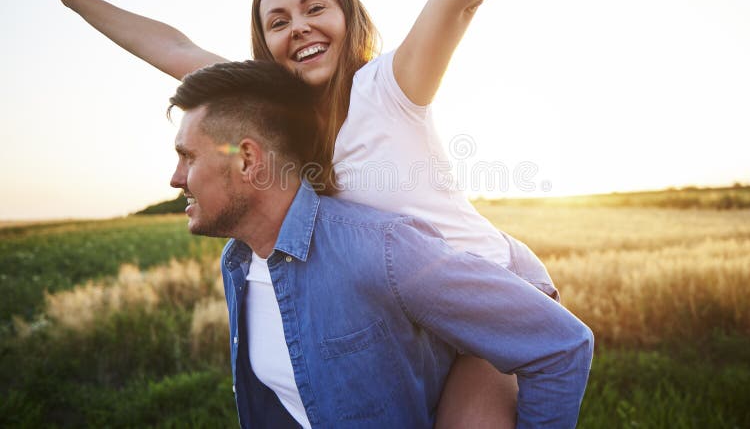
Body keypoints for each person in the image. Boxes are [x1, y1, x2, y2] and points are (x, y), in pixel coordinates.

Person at [22, 0, 564, 424]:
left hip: (492, 291)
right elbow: (175, 49)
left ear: (347, 16)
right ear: (265, 45)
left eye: (314, 8)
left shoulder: (389, 88)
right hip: (416, 310)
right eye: (277, 22)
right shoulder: (280, 119)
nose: (298, 26)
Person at [168, 59, 593, 428]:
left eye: (188, 156)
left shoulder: (383, 250)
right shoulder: (236, 264)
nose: (176, 178)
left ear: (247, 159)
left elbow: (559, 346)